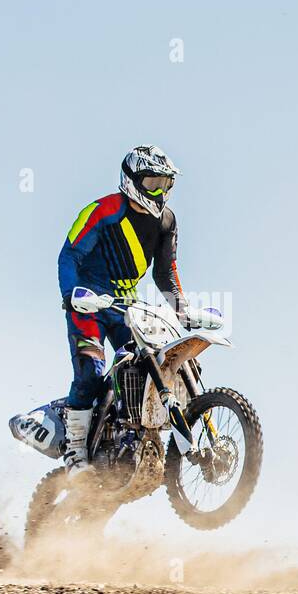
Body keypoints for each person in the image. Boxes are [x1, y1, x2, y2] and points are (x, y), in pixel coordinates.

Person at [56, 144, 187, 478]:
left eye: (165, 184)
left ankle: (129, 435)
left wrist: (181, 310)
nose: (159, 191)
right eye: (152, 182)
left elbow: (165, 273)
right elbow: (69, 255)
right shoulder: (102, 211)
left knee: (148, 362)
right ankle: (75, 452)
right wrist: (72, 294)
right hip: (88, 304)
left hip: (126, 306)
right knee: (90, 369)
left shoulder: (166, 221)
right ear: (131, 180)